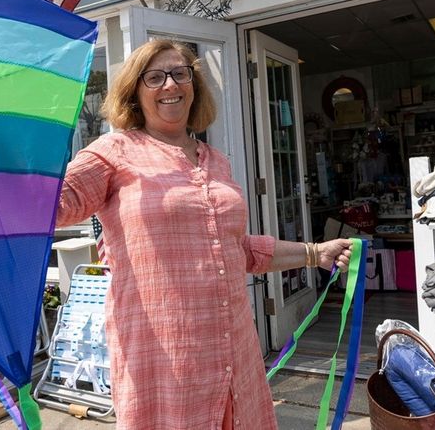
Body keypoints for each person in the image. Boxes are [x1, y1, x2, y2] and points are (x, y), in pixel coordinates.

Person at [57, 39, 354, 430]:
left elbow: (236, 250)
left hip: (234, 348)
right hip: (165, 357)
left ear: (194, 85)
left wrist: (316, 252)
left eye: (181, 74)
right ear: (135, 90)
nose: (170, 85)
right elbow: (56, 205)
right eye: (155, 77)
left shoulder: (217, 162)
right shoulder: (114, 151)